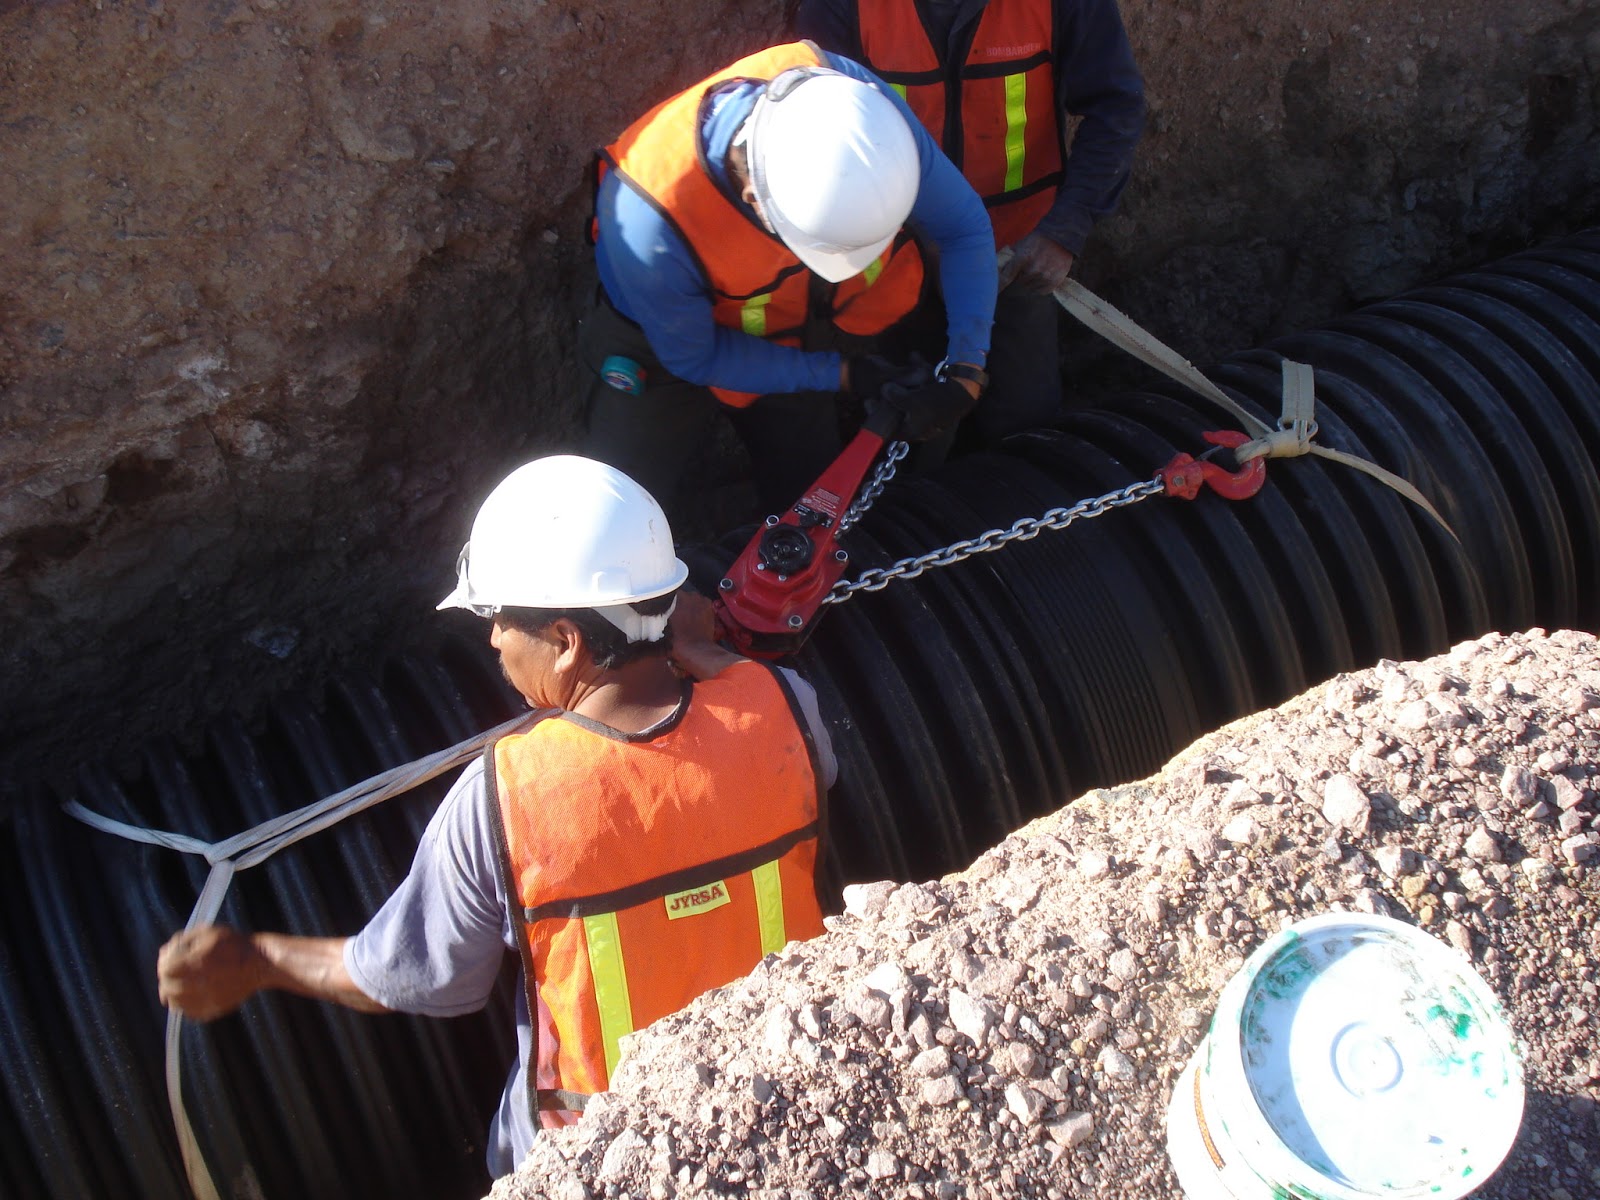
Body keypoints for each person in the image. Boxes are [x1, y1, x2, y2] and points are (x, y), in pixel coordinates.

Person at [156, 454, 838, 1179]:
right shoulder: (787, 708)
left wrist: (258, 960)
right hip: (784, 1107)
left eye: (503, 621)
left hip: (600, 1161)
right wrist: (702, 651)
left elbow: (410, 977)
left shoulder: (505, 797)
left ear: (568, 639)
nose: (492, 642)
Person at [576, 41, 999, 518]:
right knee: (618, 505)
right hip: (657, 343)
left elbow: (964, 226)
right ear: (757, 199)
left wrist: (966, 366)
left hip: (783, 323)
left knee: (811, 501)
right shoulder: (646, 220)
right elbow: (697, 357)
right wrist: (846, 374)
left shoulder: (860, 115)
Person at [794, 0, 1146, 438]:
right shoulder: (843, 6)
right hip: (901, 259)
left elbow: (1116, 106)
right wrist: (908, 243)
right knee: (911, 424)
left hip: (1015, 259)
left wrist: (1064, 230)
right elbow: (819, 129)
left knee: (1023, 428)